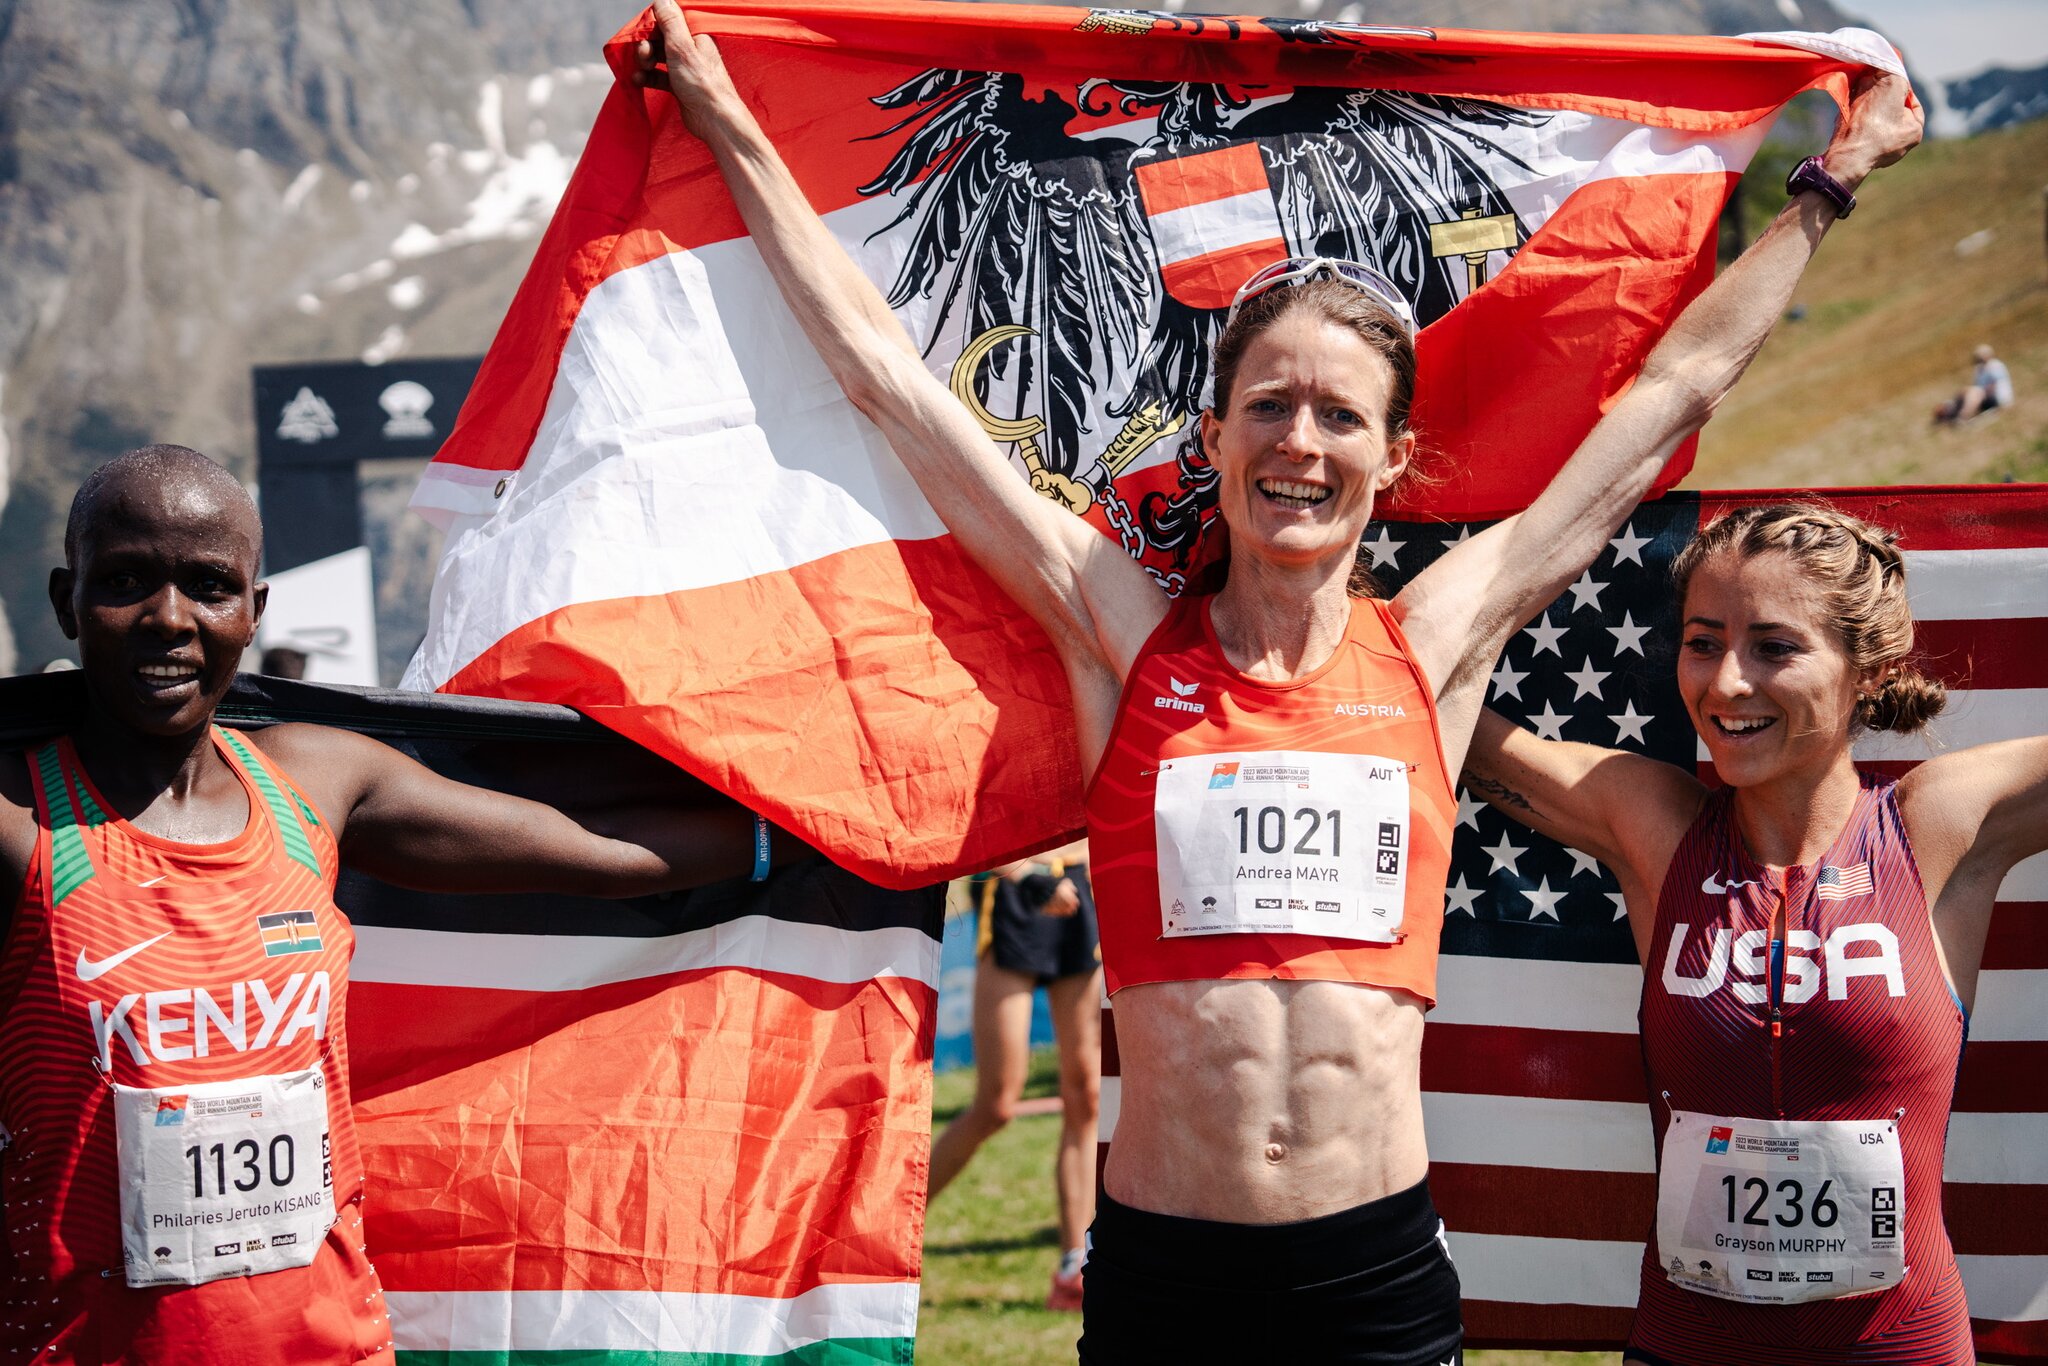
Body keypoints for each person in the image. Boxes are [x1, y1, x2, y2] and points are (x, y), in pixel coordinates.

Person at [634, 7, 1919, 1357]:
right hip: (1166, 1276)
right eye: (1267, 404)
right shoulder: (1120, 630)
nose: (1299, 442)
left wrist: (1827, 186)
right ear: (1214, 432)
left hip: (1369, 1277)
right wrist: (728, 118)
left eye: (1340, 414)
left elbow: (1674, 386)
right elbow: (893, 384)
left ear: (1390, 457)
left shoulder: (1433, 643)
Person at [0, 445, 792, 1364]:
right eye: (126, 580)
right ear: (67, 601)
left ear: (254, 615)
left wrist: (827, 835)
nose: (168, 619)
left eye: (208, 585)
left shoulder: (318, 783)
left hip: (333, 1348)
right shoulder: (20, 826)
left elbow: (584, 848)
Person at [1461, 502, 2048, 1364]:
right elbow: (1442, 711)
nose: (1727, 683)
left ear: (1870, 670)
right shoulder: (1654, 824)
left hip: (1900, 1347)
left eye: (1775, 647)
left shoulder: (1941, 824)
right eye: (1703, 642)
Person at [927, 840, 1101, 1311]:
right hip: (1018, 889)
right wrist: (1028, 876)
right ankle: (888, 1233)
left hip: (1085, 884)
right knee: (997, 1104)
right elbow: (971, 823)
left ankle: (1073, 1267)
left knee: (1086, 1097)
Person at [1932, 343, 2014, 423]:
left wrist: (1979, 393)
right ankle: (1950, 411)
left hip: (1998, 398)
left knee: (1974, 392)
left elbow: (1993, 386)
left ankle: (1962, 416)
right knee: (1965, 391)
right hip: (1985, 398)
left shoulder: (1995, 366)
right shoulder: (1979, 369)